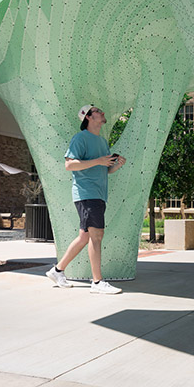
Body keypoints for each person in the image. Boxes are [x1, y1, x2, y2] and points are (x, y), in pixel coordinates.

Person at [46, 104, 126, 293]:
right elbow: (69, 165)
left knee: (85, 237)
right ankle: (97, 282)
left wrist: (116, 165)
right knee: (97, 236)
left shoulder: (102, 142)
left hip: (98, 195)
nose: (102, 112)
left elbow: (104, 170)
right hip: (86, 194)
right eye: (98, 111)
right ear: (88, 117)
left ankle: (57, 270)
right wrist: (99, 160)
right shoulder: (80, 138)